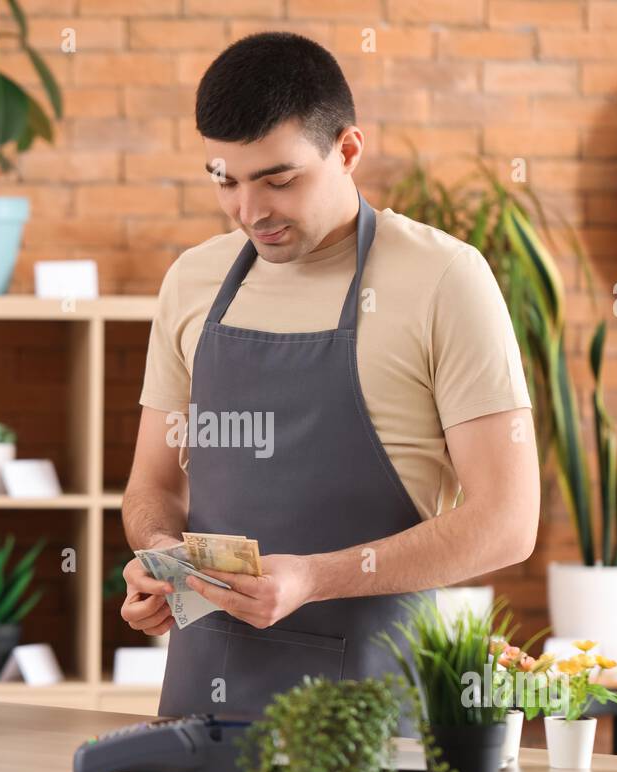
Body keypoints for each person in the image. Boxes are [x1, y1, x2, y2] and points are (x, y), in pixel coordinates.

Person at [119, 31, 539, 735]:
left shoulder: (443, 279)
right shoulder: (193, 281)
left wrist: (313, 579)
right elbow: (153, 485)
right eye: (227, 179)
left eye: (279, 180)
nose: (251, 211)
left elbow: (507, 523)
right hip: (201, 713)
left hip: (372, 718)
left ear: (347, 150)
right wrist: (160, 559)